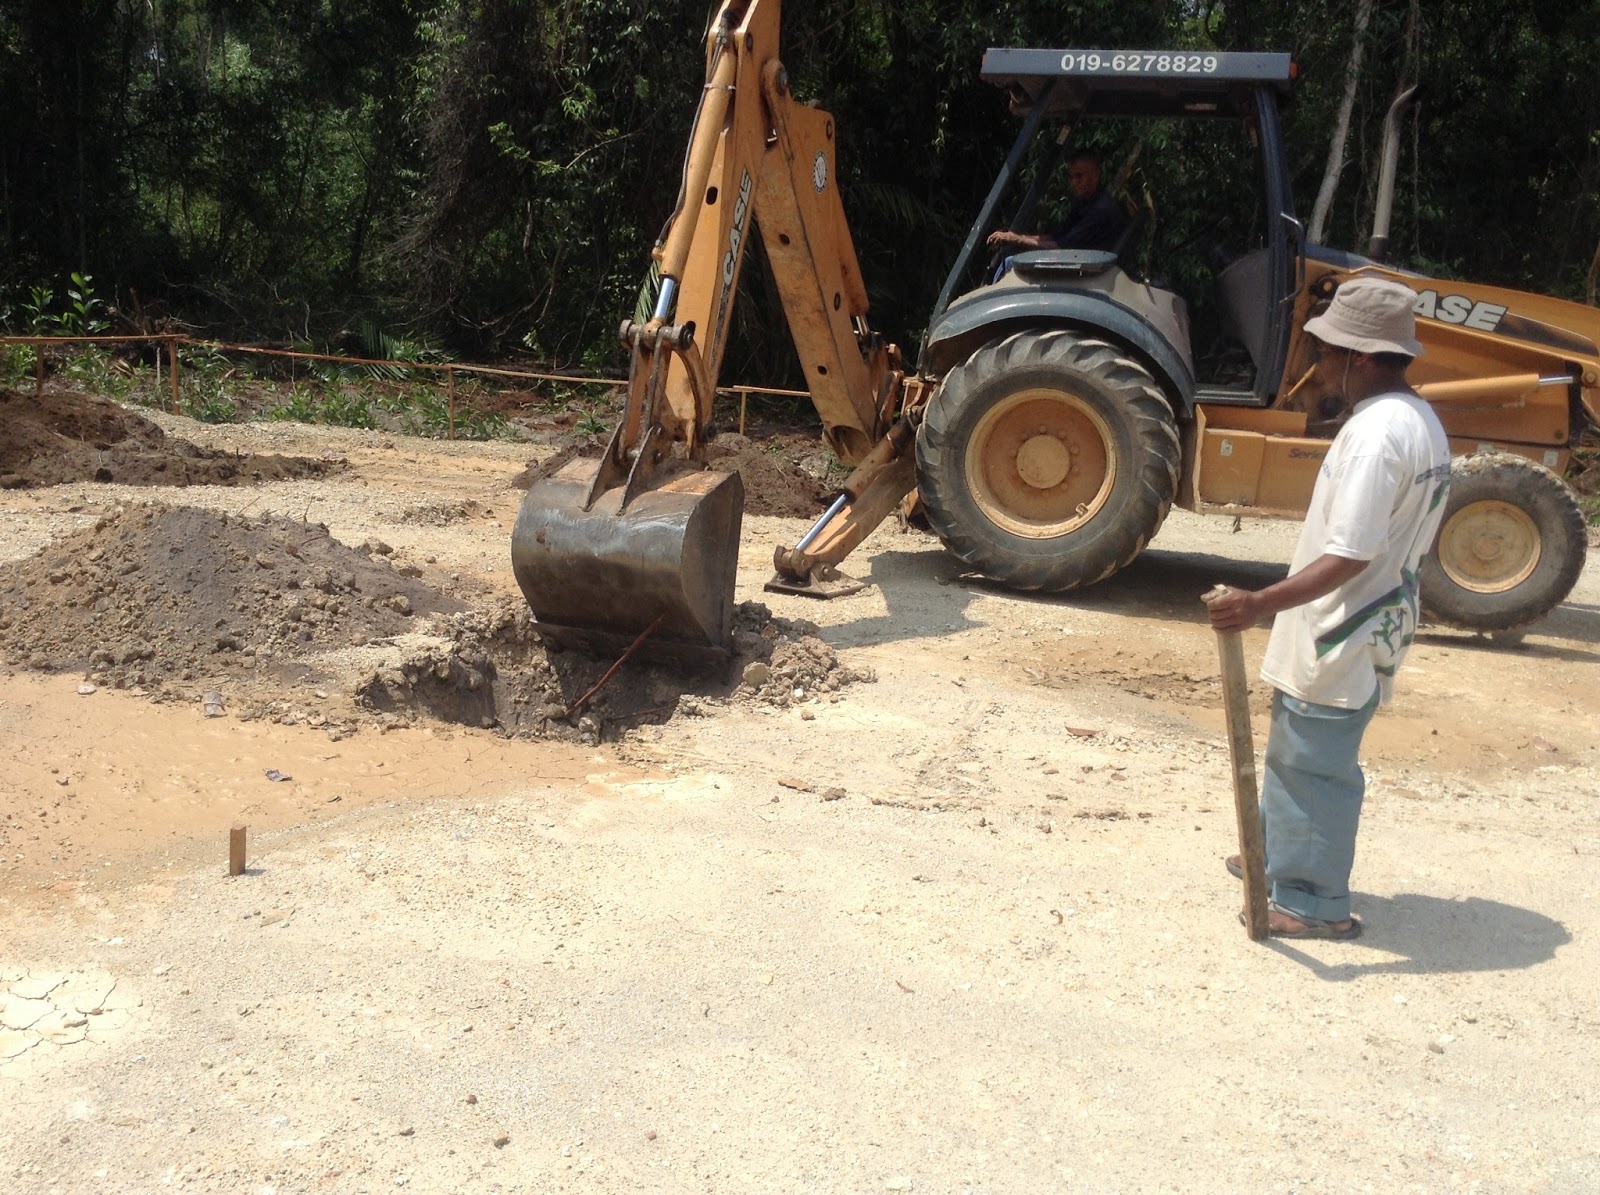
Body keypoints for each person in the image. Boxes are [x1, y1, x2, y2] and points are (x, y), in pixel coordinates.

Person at [1204, 277, 1451, 940]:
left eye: (1332, 350)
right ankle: (1274, 856)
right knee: (1298, 748)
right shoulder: (1419, 419)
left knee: (1314, 762)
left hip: (1343, 623)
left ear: (1364, 357)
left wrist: (1258, 602)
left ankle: (1313, 903)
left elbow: (1350, 554)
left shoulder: (1376, 438)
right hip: (1371, 619)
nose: (1322, 363)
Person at [986, 151, 1128, 255]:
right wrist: (1016, 237)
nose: (1073, 183)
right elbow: (1056, 237)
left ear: (1096, 175)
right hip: (1077, 263)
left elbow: (1060, 247)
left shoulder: (1100, 210)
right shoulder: (1083, 203)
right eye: (1071, 177)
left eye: (1079, 176)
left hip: (1088, 272)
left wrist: (1017, 240)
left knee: (1011, 264)